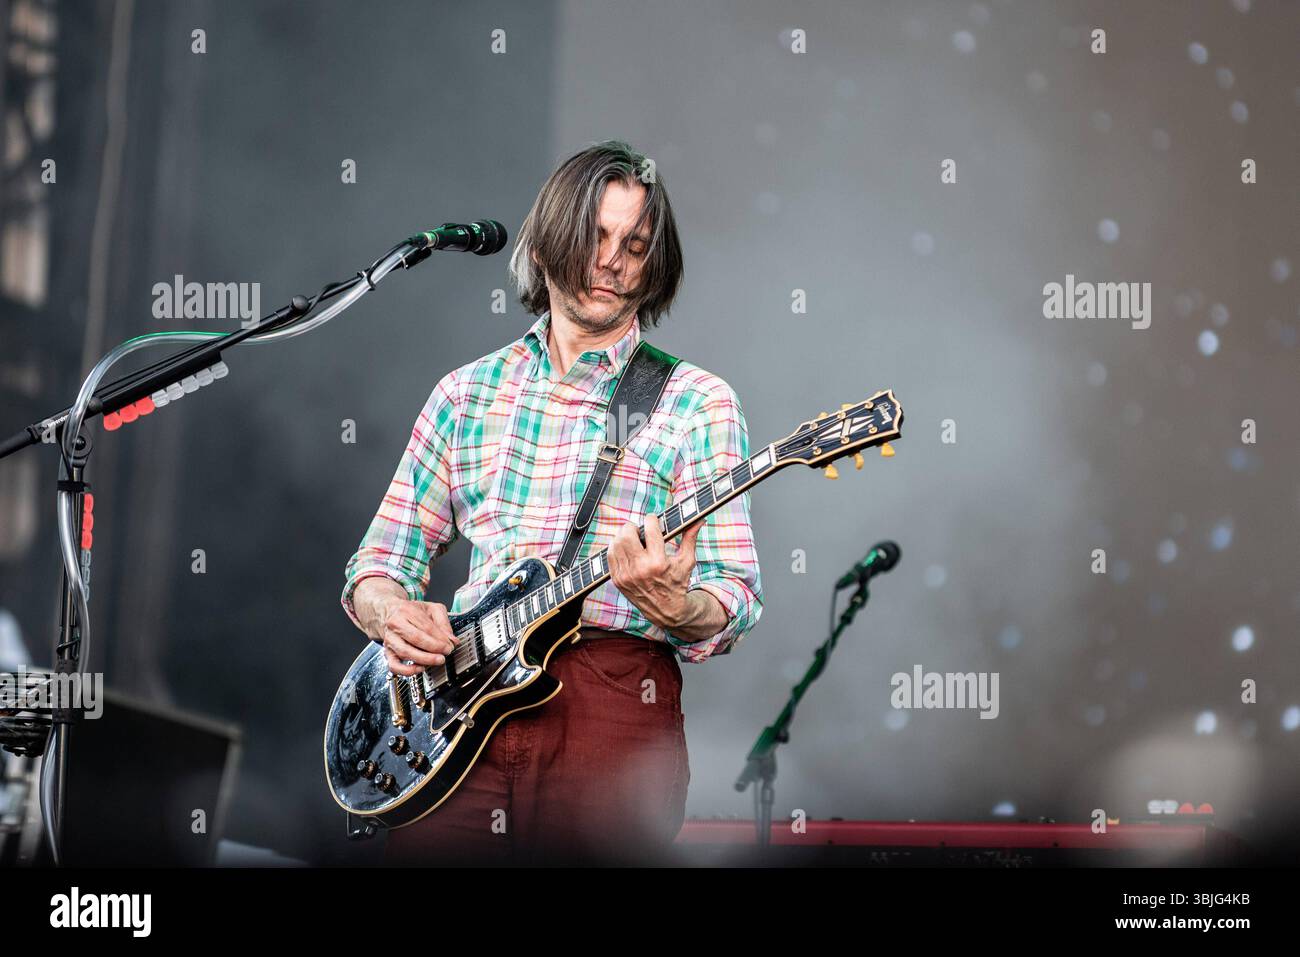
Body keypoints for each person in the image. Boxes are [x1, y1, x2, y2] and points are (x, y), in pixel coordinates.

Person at [341, 140, 762, 865]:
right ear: (547, 243)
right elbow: (377, 564)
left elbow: (734, 594)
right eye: (596, 236)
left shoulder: (698, 403)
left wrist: (675, 605)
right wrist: (392, 613)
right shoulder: (465, 393)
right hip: (455, 719)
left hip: (612, 712)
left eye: (635, 244)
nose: (614, 261)